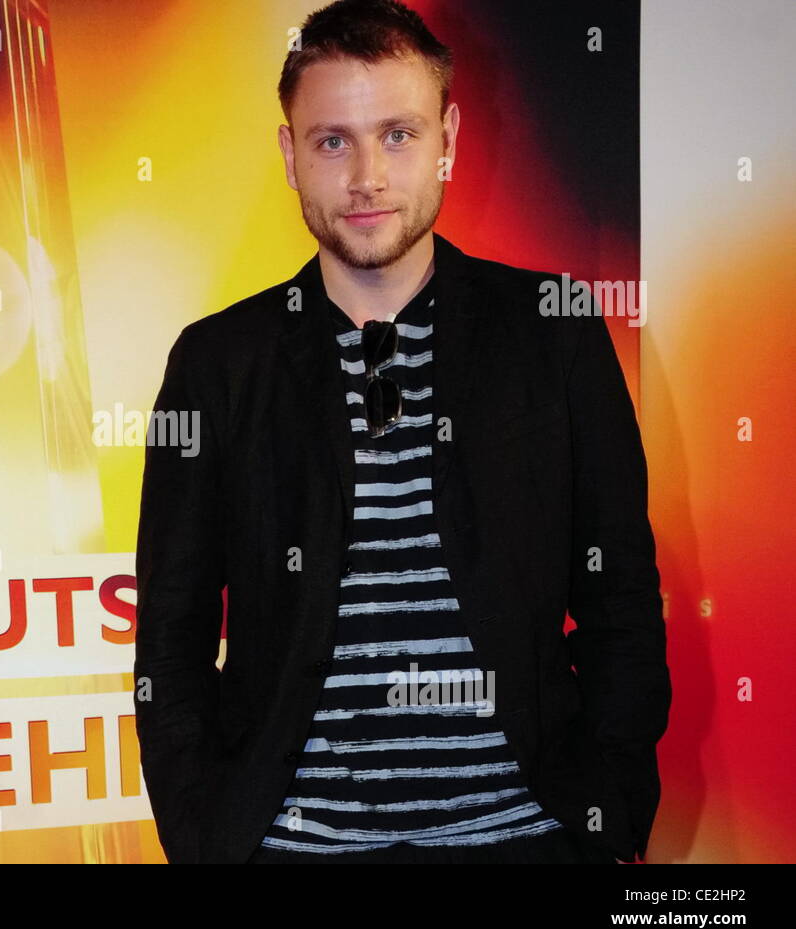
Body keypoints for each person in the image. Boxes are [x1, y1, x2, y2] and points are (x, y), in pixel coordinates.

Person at [132, 0, 671, 864]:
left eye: (398, 134)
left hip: (527, 836)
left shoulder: (555, 328)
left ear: (449, 138)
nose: (367, 177)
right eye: (333, 140)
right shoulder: (217, 363)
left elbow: (623, 604)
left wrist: (606, 817)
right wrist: (206, 840)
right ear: (290, 156)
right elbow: (173, 632)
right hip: (295, 845)